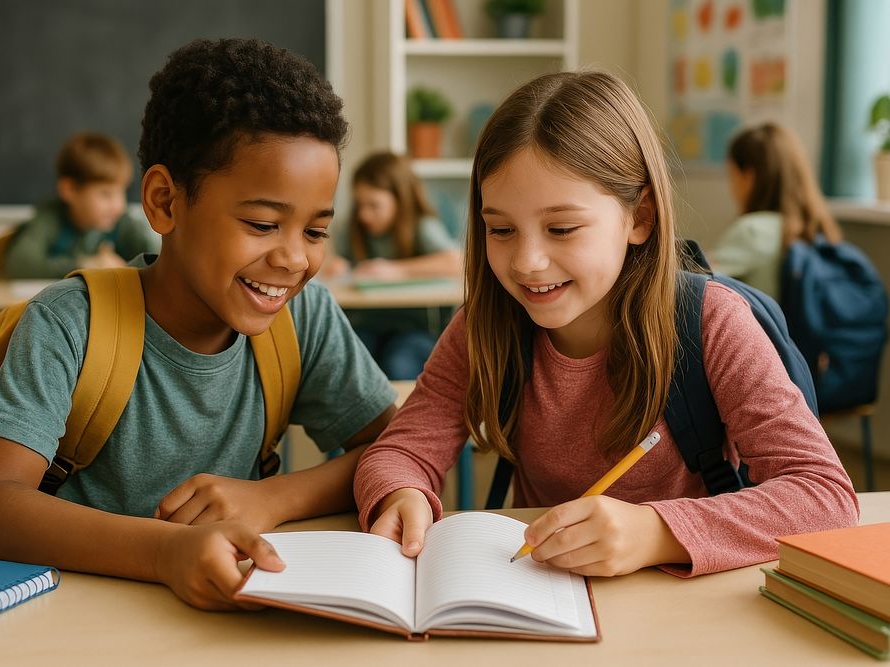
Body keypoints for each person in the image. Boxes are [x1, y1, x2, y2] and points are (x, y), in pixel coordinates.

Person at [0, 38, 398, 611]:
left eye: (314, 232)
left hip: (222, 621)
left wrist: (271, 500)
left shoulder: (302, 318)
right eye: (262, 224)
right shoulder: (69, 323)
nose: (293, 259)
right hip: (75, 622)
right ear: (164, 202)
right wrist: (166, 551)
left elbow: (393, 451)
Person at [354, 71, 858, 578]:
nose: (527, 261)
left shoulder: (712, 322)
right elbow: (401, 449)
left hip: (683, 610)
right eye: (500, 229)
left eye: (562, 228)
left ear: (639, 218)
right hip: (543, 598)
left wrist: (653, 533)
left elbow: (824, 496)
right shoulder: (484, 325)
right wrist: (402, 490)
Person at [325, 151, 462, 380]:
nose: (365, 214)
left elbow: (455, 261)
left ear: (400, 200)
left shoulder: (421, 226)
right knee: (347, 366)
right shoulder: (352, 230)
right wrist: (337, 267)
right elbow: (339, 267)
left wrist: (395, 270)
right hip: (366, 323)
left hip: (414, 327)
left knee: (398, 365)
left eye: (374, 205)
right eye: (360, 205)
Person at [0, 131, 159, 279]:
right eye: (105, 194)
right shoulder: (50, 218)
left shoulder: (122, 222)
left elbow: (158, 261)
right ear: (70, 190)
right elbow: (20, 265)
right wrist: (86, 265)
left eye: (121, 192)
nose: (119, 206)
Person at [710, 122, 842, 299]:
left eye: (732, 175)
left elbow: (691, 280)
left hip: (765, 327)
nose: (731, 187)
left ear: (748, 177)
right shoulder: (816, 226)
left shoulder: (752, 231)